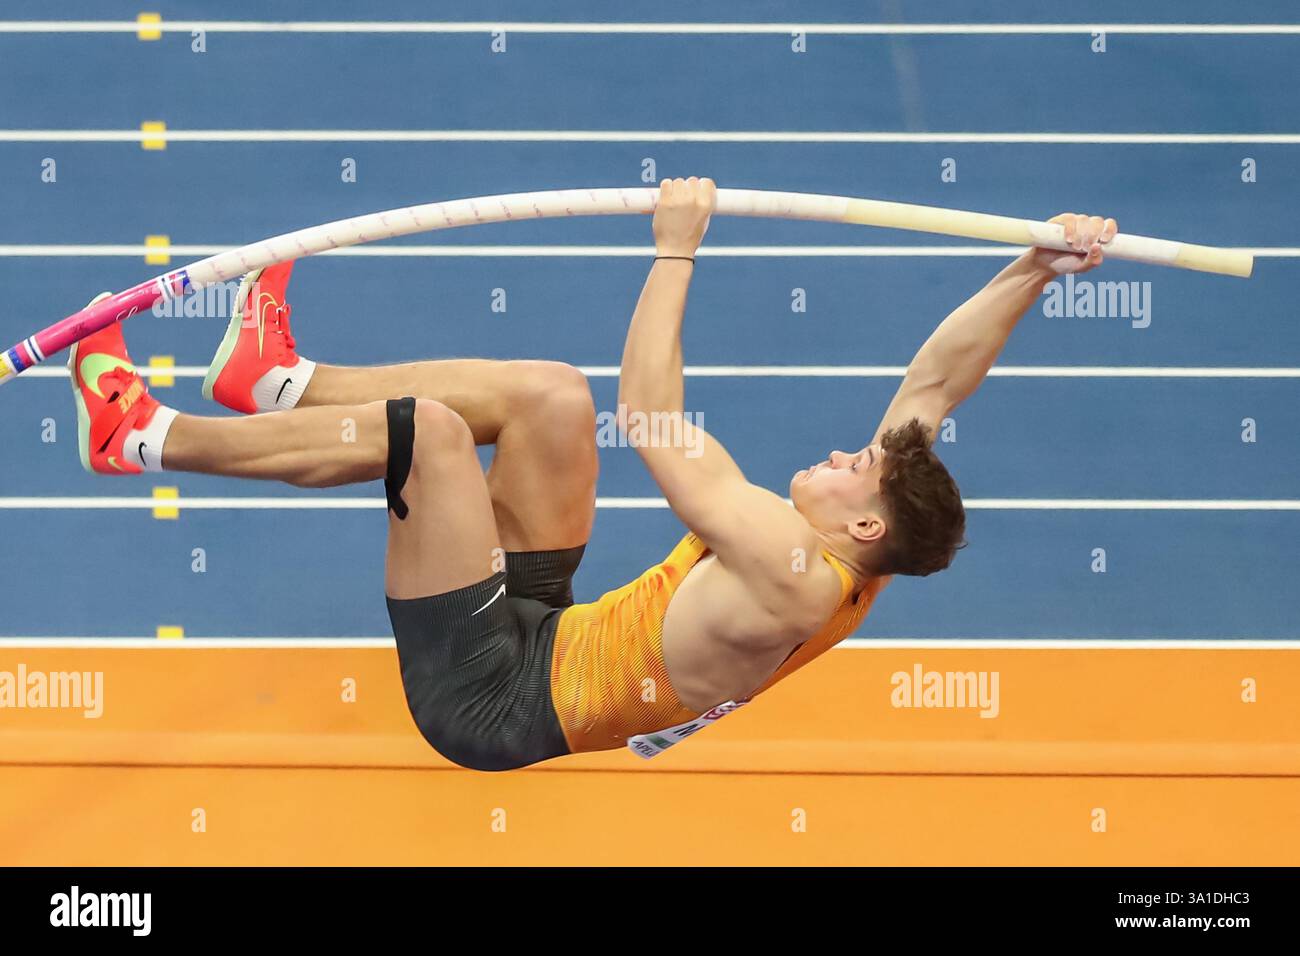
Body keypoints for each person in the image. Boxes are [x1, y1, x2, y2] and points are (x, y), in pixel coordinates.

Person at [67, 177, 1116, 770]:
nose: (848, 452)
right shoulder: (861, 547)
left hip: (486, 695)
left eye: (857, 470)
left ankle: (144, 437)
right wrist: (1033, 265)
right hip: (545, 626)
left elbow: (652, 417)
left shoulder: (793, 571)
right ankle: (279, 380)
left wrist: (675, 251)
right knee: (548, 396)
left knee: (431, 435)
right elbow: (934, 383)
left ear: (862, 533)